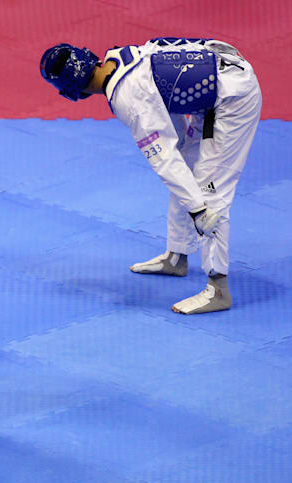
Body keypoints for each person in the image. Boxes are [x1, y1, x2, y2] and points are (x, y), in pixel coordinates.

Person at [40, 37, 262, 314]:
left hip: (233, 98)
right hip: (221, 67)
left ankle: (218, 289)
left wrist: (198, 210)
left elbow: (164, 158)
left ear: (71, 90)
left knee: (208, 195)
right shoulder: (117, 57)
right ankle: (176, 256)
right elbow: (169, 114)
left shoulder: (128, 97)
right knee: (185, 172)